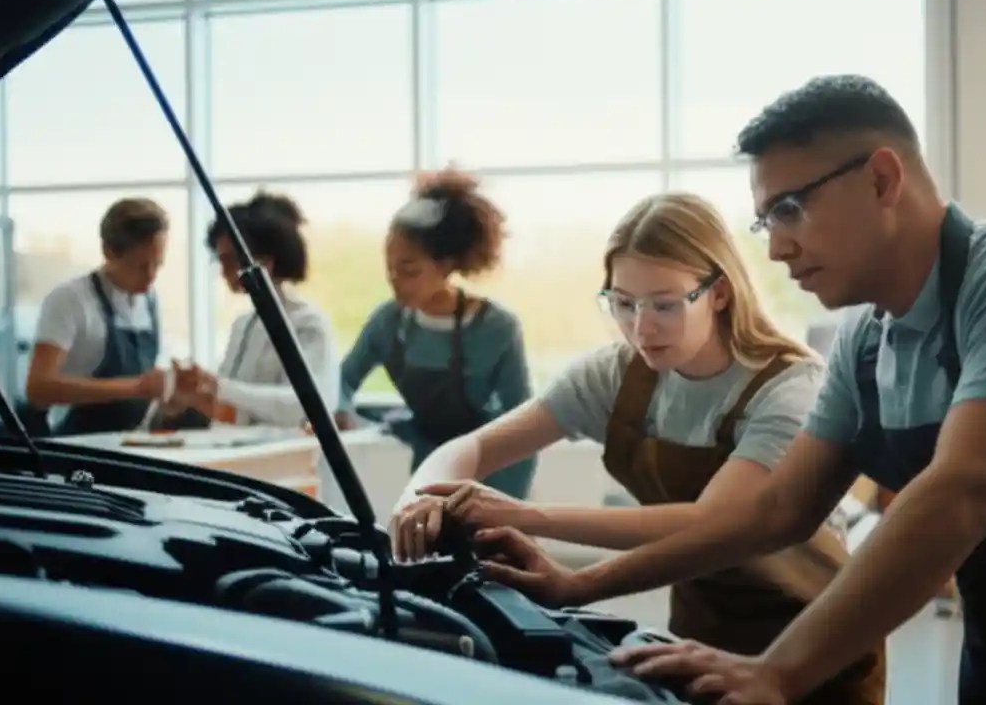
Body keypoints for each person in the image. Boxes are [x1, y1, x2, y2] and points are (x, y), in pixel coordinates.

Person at [472, 74, 986, 704]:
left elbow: (967, 488)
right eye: (766, 219)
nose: (776, 247)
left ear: (881, 178)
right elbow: (776, 509)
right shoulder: (866, 342)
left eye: (789, 208)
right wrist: (580, 587)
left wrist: (777, 672)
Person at [391, 191, 885, 704]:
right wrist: (419, 503)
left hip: (814, 647)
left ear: (718, 292)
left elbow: (709, 523)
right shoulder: (616, 375)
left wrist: (527, 516)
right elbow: (471, 448)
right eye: (623, 303)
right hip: (700, 630)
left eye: (665, 305)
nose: (641, 327)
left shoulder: (790, 389)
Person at [336, 168, 535, 499]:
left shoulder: (496, 328)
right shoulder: (388, 323)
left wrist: (505, 507)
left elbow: (526, 427)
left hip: (492, 475)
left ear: (445, 265)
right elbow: (341, 380)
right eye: (390, 270)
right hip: (427, 473)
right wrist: (340, 411)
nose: (395, 281)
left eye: (409, 270)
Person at [161, 191, 339, 427]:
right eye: (220, 260)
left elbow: (304, 405)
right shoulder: (243, 325)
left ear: (265, 261)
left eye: (229, 260)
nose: (223, 271)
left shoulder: (308, 323)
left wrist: (218, 386)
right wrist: (189, 397)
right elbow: (237, 412)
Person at [25, 197, 169, 436]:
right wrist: (134, 388)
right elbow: (38, 388)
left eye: (158, 265)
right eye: (141, 266)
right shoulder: (69, 300)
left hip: (133, 444)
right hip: (76, 446)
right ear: (109, 252)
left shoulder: (150, 301)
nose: (151, 276)